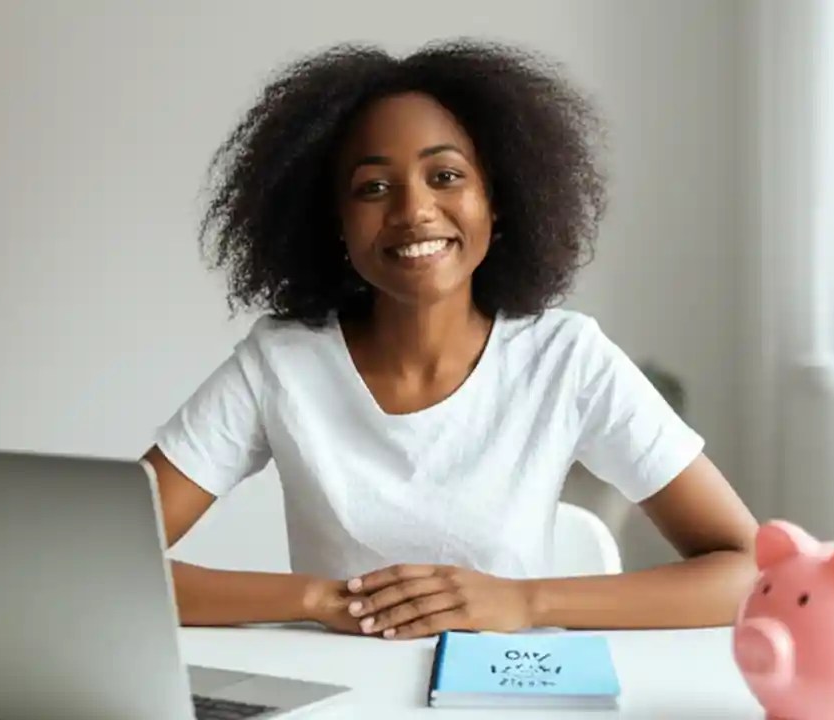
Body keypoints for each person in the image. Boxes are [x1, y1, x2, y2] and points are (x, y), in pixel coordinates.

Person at [142, 39, 759, 640]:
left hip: (507, 694)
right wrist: (319, 599)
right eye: (373, 188)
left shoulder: (567, 359)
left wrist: (524, 601)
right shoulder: (281, 363)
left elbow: (749, 566)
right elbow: (106, 557)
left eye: (445, 175)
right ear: (333, 221)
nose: (414, 210)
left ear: (498, 201)